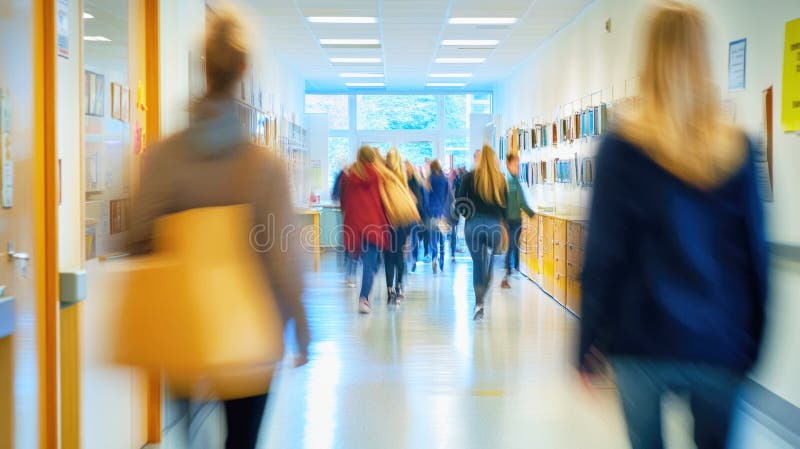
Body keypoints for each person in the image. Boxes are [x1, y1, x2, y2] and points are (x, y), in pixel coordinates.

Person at [577, 3, 767, 449]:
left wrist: (586, 345)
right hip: (720, 340)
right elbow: (753, 257)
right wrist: (754, 341)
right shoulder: (736, 149)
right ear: (705, 56)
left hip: (640, 342)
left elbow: (603, 256)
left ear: (648, 56)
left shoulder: (622, 149)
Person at [127, 9, 309, 449]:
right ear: (244, 73)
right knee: (241, 438)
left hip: (183, 320)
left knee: (189, 434)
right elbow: (283, 258)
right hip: (251, 326)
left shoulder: (164, 157)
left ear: (201, 67)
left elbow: (137, 238)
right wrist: (302, 326)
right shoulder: (263, 167)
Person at [456, 145, 507, 320]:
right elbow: (505, 206)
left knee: (478, 263)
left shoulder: (468, 177)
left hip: (474, 225)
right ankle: (487, 282)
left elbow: (460, 202)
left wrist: (468, 216)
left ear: (478, 158)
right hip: (494, 226)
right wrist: (503, 224)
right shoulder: (500, 178)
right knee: (492, 260)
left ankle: (479, 304)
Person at [340, 145, 391, 314]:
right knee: (371, 264)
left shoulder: (350, 176)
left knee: (363, 261)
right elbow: (383, 201)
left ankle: (360, 290)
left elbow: (345, 201)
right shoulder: (378, 175)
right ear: (372, 158)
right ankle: (364, 298)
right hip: (373, 226)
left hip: (356, 226)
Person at [382, 148, 412, 303]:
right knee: (400, 256)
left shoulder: (382, 177)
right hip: (402, 222)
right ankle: (399, 286)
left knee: (388, 257)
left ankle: (389, 291)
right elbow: (408, 203)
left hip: (386, 223)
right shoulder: (402, 178)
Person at [501, 153, 535, 288]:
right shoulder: (511, 182)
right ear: (509, 165)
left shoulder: (512, 181)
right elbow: (520, 201)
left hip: (513, 219)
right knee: (512, 246)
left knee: (513, 245)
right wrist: (531, 213)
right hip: (512, 219)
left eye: (518, 165)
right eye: (516, 165)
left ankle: (510, 271)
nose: (518, 168)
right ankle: (509, 271)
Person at [424, 160, 450, 273]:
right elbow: (446, 196)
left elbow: (426, 195)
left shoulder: (430, 179)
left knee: (433, 238)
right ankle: (442, 261)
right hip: (442, 213)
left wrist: (427, 209)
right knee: (442, 239)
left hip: (431, 212)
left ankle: (434, 257)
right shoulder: (444, 179)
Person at [405, 160, 426, 272]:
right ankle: (413, 259)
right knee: (413, 237)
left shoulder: (410, 182)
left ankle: (412, 259)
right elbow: (422, 199)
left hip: (411, 212)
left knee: (411, 236)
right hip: (412, 212)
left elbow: (419, 199)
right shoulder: (418, 182)